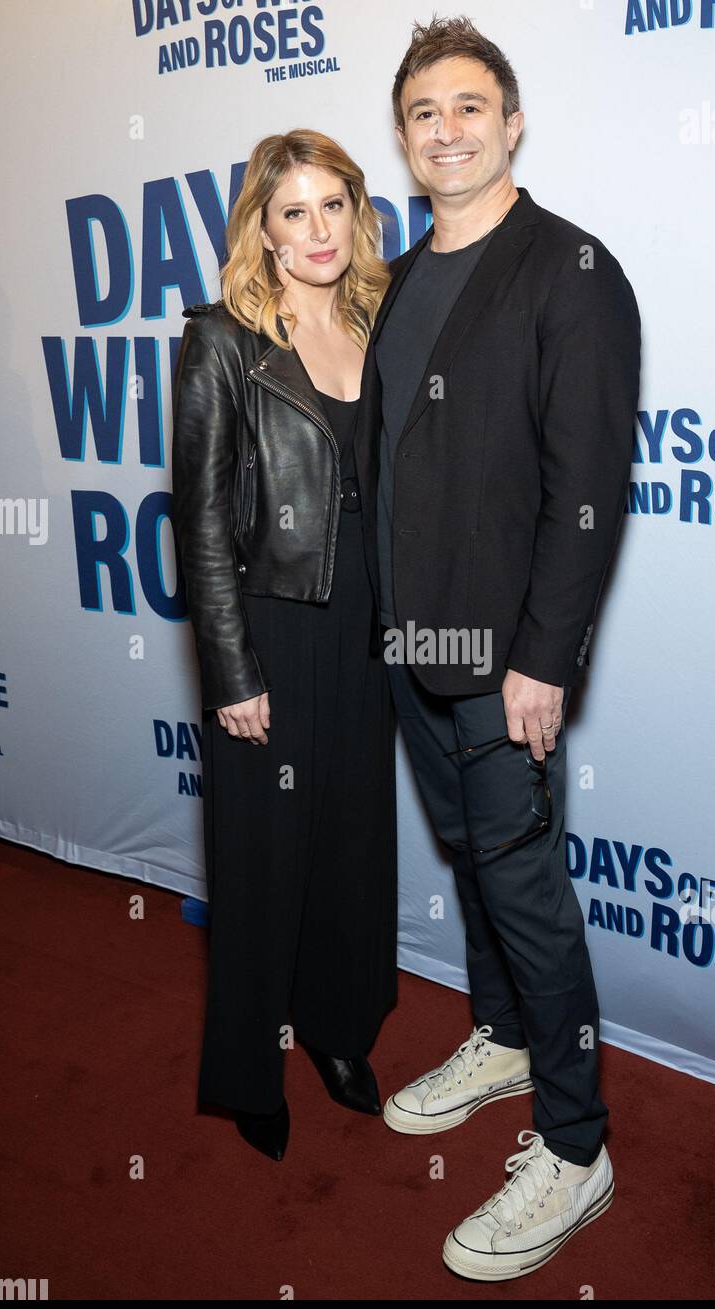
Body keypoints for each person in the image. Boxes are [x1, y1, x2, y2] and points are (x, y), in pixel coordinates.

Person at [353, 18, 642, 1278]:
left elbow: (590, 484)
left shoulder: (571, 271)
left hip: (504, 661)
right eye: (423, 113)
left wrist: (545, 656)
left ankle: (575, 1148)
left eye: (469, 107)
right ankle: (506, 1038)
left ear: (511, 123)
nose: (446, 130)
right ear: (404, 141)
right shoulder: (406, 278)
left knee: (528, 897)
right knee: (473, 866)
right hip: (412, 640)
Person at [170, 131, 395, 1163]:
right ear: (260, 228)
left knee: (350, 846)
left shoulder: (381, 320)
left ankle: (338, 1033)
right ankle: (251, 1069)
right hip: (269, 625)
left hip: (367, 632)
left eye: (332, 207)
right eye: (292, 211)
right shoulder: (222, 340)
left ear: (357, 213)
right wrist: (230, 669)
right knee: (261, 866)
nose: (315, 231)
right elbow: (201, 518)